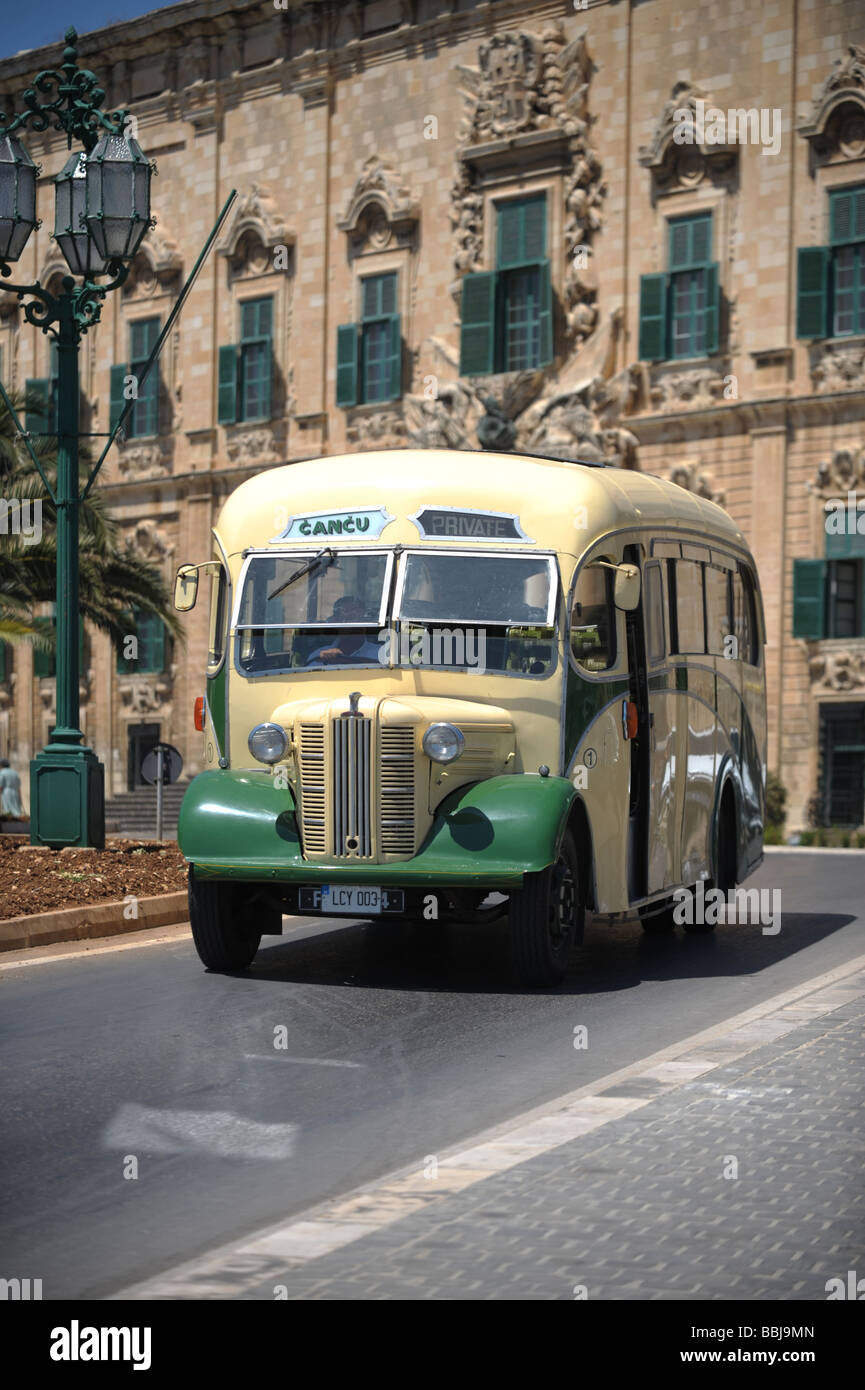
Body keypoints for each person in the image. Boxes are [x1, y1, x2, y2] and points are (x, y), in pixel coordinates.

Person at [305, 595, 381, 665]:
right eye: (345, 619)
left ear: (365, 621)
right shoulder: (319, 655)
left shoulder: (380, 654)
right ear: (336, 621)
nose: (352, 624)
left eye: (355, 618)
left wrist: (342, 660)